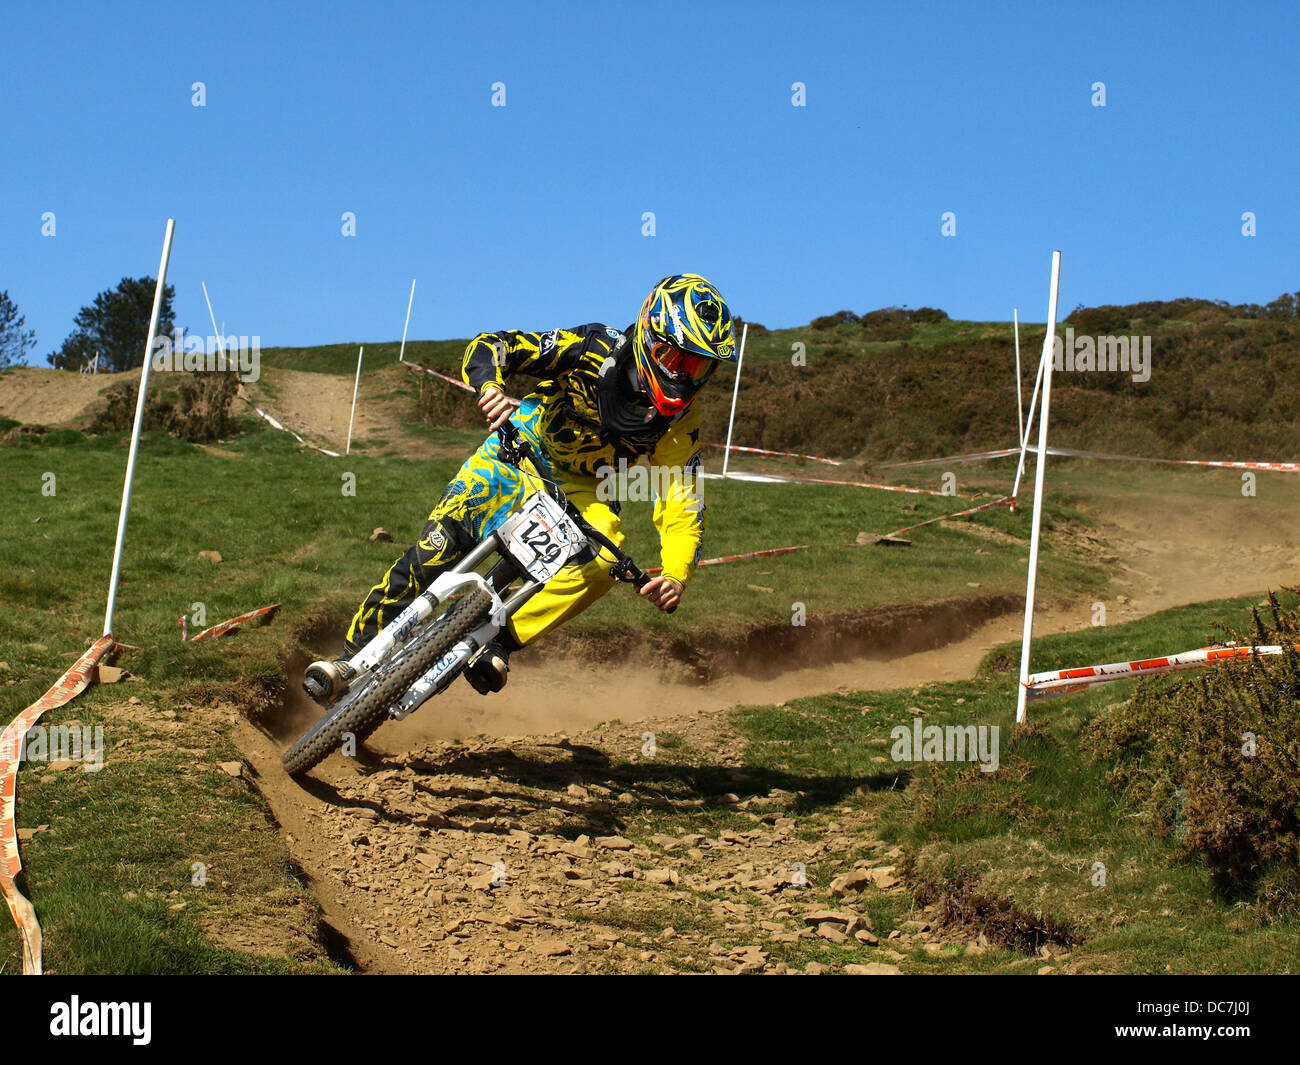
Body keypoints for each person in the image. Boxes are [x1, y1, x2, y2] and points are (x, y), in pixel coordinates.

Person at [306, 273, 735, 702]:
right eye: (678, 361)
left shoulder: (681, 423)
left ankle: (498, 640)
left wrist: (676, 575)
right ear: (648, 336)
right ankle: (349, 660)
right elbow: (496, 345)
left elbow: (682, 503)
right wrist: (491, 386)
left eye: (699, 367)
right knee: (436, 549)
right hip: (518, 451)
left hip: (584, 487)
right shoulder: (592, 347)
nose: (685, 377)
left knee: (605, 557)